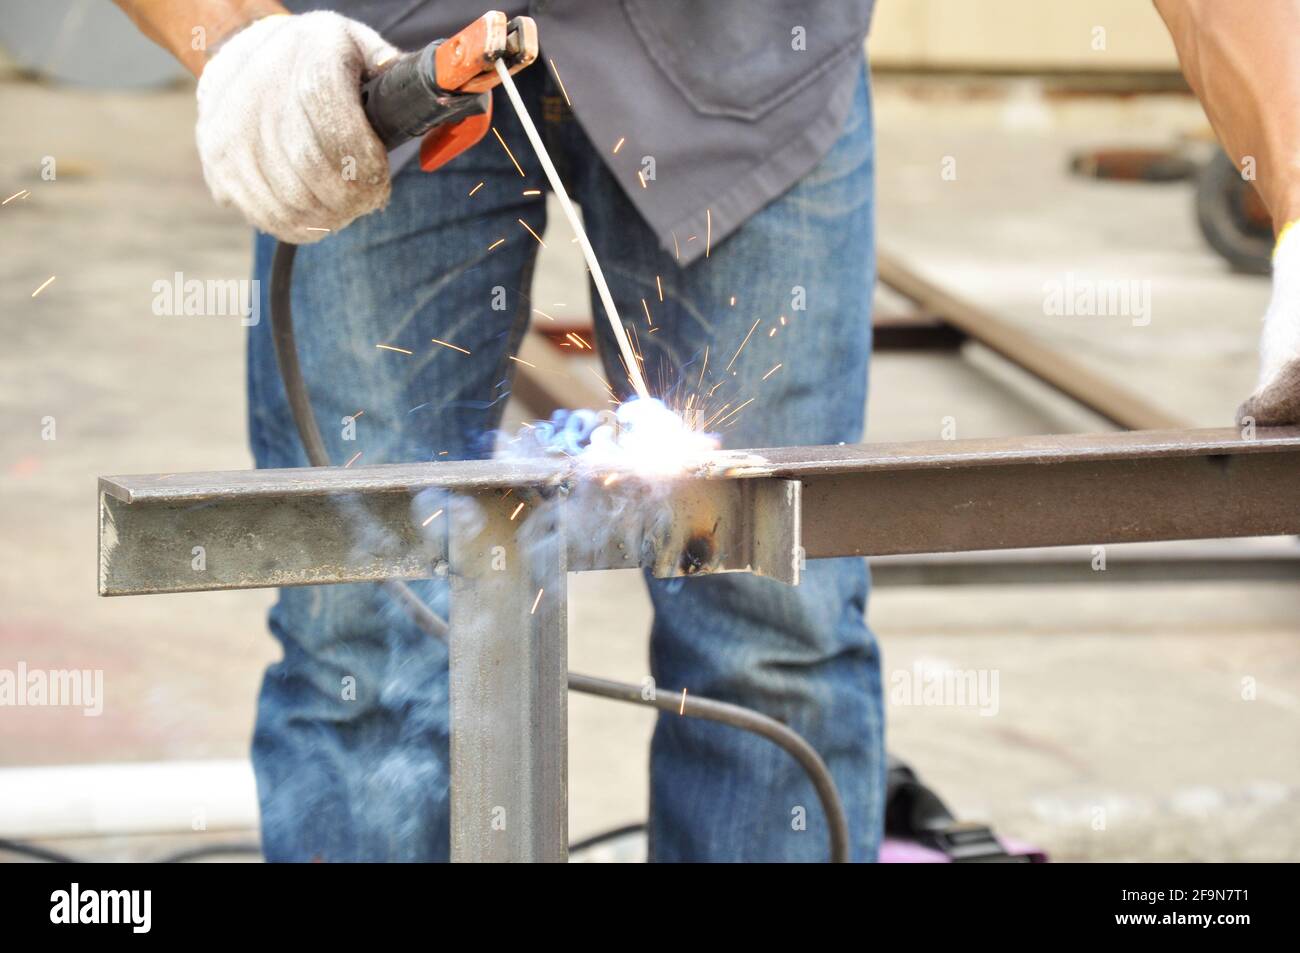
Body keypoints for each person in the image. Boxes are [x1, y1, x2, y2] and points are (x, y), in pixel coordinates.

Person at [114, 0, 1299, 862]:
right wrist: (232, 40)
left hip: (748, 54)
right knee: (363, 635)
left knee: (772, 625)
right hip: (376, 54)